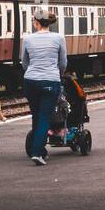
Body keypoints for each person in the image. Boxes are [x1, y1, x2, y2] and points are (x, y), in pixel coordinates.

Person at [22, 9, 67, 165]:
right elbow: (63, 62)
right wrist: (58, 74)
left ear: (36, 22)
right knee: (44, 118)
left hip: (30, 81)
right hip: (50, 80)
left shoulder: (27, 39)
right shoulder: (59, 38)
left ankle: (39, 150)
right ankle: (37, 152)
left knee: (36, 116)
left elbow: (24, 62)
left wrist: (32, 72)